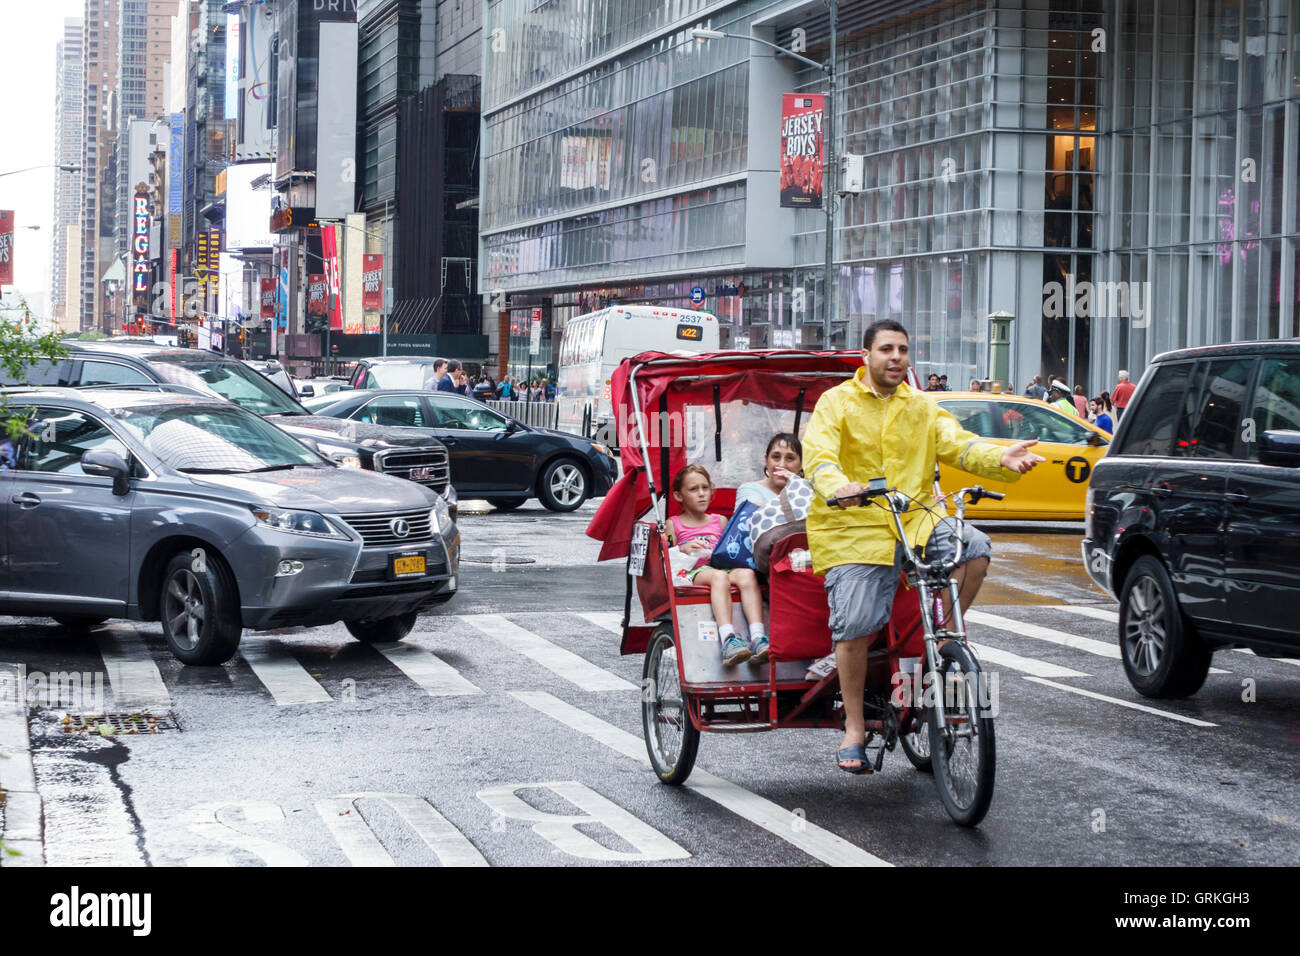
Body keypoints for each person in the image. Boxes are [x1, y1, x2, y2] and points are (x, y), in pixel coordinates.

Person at [802, 319, 1044, 774]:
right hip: (854, 525)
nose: (896, 357)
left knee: (974, 547)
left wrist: (1000, 457)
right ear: (866, 355)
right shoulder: (837, 402)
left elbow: (960, 445)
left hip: (916, 518)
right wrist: (838, 485)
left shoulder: (923, 406)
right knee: (854, 623)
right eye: (887, 349)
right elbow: (818, 456)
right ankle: (855, 726)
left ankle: (942, 641)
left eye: (903, 350)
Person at [667, 465, 768, 665]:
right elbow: (670, 557)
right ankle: (728, 639)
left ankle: (758, 637)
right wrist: (685, 548)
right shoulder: (674, 523)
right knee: (719, 577)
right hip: (695, 570)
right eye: (694, 489)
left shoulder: (719, 520)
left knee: (747, 574)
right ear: (679, 496)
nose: (701, 494)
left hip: (721, 566)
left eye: (705, 488)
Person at [736, 433, 804, 507]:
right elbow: (754, 514)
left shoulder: (810, 493)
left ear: (801, 464)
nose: (782, 465)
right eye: (776, 457)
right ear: (766, 460)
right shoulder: (749, 489)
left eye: (790, 458)